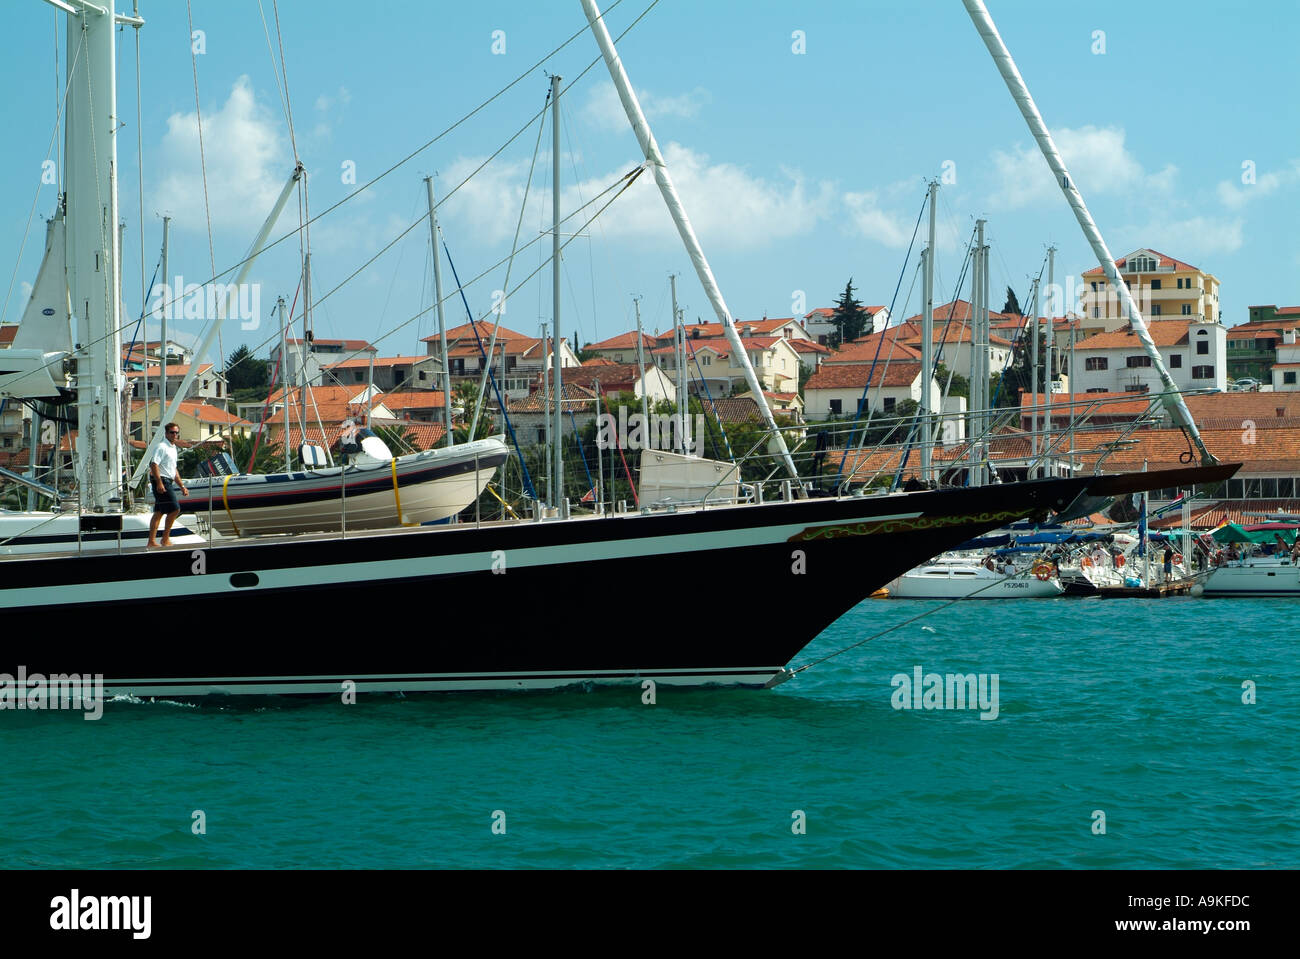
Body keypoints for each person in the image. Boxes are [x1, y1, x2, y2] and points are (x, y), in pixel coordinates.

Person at [147, 423, 189, 547]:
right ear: (166, 433)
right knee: (175, 509)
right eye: (172, 432)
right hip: (161, 480)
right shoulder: (161, 446)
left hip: (167, 480)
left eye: (176, 433)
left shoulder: (173, 448)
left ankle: (151, 541)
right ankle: (165, 539)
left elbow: (174, 470)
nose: (174, 435)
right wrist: (159, 483)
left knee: (159, 512)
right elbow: (154, 464)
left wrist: (182, 486)